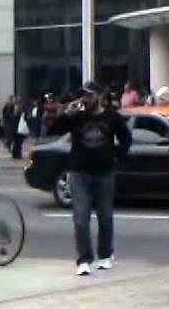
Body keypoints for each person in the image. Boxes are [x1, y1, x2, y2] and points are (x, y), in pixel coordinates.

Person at [50, 82, 132, 277]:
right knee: (80, 218)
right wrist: (66, 113)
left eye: (89, 95)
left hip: (104, 173)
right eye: (83, 96)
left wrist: (116, 156)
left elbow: (126, 138)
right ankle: (84, 259)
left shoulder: (112, 117)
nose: (86, 100)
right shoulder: (77, 117)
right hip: (79, 172)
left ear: (99, 97)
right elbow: (53, 130)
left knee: (105, 216)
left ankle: (105, 254)